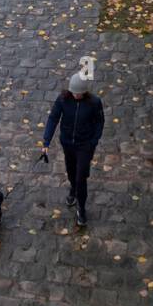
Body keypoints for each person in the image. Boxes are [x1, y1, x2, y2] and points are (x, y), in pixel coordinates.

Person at [41, 73, 105, 228]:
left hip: (85, 145)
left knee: (81, 176)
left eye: (79, 93)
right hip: (68, 143)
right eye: (74, 92)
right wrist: (46, 141)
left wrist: (93, 141)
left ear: (84, 92)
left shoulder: (94, 103)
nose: (76, 95)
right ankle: (73, 189)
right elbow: (53, 118)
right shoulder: (63, 100)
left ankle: (81, 208)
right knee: (71, 171)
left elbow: (99, 122)